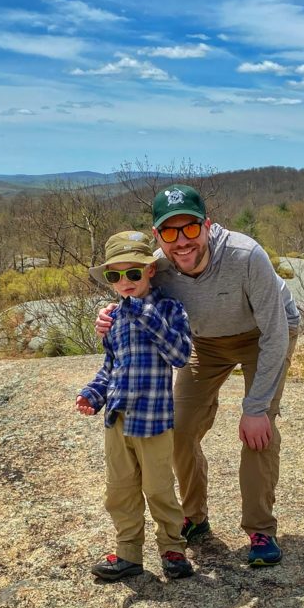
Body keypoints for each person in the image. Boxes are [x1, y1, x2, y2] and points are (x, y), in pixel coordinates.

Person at [96, 184, 300, 567]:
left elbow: (276, 332)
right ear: (158, 235)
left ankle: (260, 529)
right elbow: (131, 291)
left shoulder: (245, 255)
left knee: (258, 432)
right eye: (170, 233)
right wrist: (107, 314)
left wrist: (255, 408)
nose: (182, 242)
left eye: (190, 228)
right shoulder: (159, 265)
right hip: (205, 344)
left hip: (264, 335)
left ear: (207, 225)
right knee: (179, 428)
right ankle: (194, 518)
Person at [77, 230, 195, 581]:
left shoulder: (169, 309)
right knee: (120, 490)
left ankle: (172, 548)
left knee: (159, 489)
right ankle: (128, 553)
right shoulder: (113, 320)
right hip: (117, 418)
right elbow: (111, 367)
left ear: (150, 271)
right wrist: (93, 394)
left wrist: (145, 313)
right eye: (115, 276)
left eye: (133, 273)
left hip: (154, 420)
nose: (124, 282)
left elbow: (180, 355)